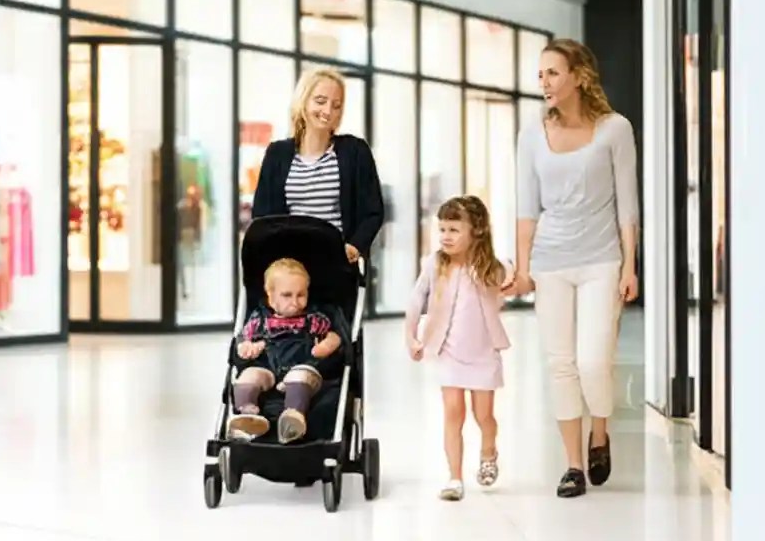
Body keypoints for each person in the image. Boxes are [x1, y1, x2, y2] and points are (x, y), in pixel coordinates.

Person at [503, 38, 640, 499]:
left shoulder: (615, 129)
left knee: (593, 361)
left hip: (602, 259)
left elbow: (627, 205)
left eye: (553, 72)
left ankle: (600, 431)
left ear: (579, 77)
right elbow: (526, 208)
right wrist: (523, 268)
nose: (544, 81)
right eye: (540, 74)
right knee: (560, 363)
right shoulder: (531, 135)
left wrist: (629, 266)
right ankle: (573, 464)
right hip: (551, 262)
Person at [405, 197, 511, 501]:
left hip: (483, 354)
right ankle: (454, 477)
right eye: (442, 229)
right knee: (453, 412)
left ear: (476, 230)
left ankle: (488, 450)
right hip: (448, 351)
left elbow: (509, 279)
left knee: (483, 415)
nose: (446, 236)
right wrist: (411, 336)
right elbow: (417, 298)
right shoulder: (435, 264)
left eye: (454, 229)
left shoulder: (489, 268)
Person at [250, 67, 384, 264]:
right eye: (320, 101)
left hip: (337, 265)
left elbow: (373, 211)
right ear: (303, 101)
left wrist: (355, 246)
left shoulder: (355, 151)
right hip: (290, 267)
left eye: (336, 105)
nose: (328, 111)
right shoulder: (277, 154)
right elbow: (262, 216)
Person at [227, 259, 348, 444]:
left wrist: (326, 346)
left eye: (301, 295)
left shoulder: (314, 319)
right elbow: (243, 340)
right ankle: (247, 413)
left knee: (301, 375)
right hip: (268, 368)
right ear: (271, 297)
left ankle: (293, 416)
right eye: (286, 295)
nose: (295, 302)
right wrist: (248, 348)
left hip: (303, 365)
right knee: (249, 375)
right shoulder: (259, 321)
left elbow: (334, 336)